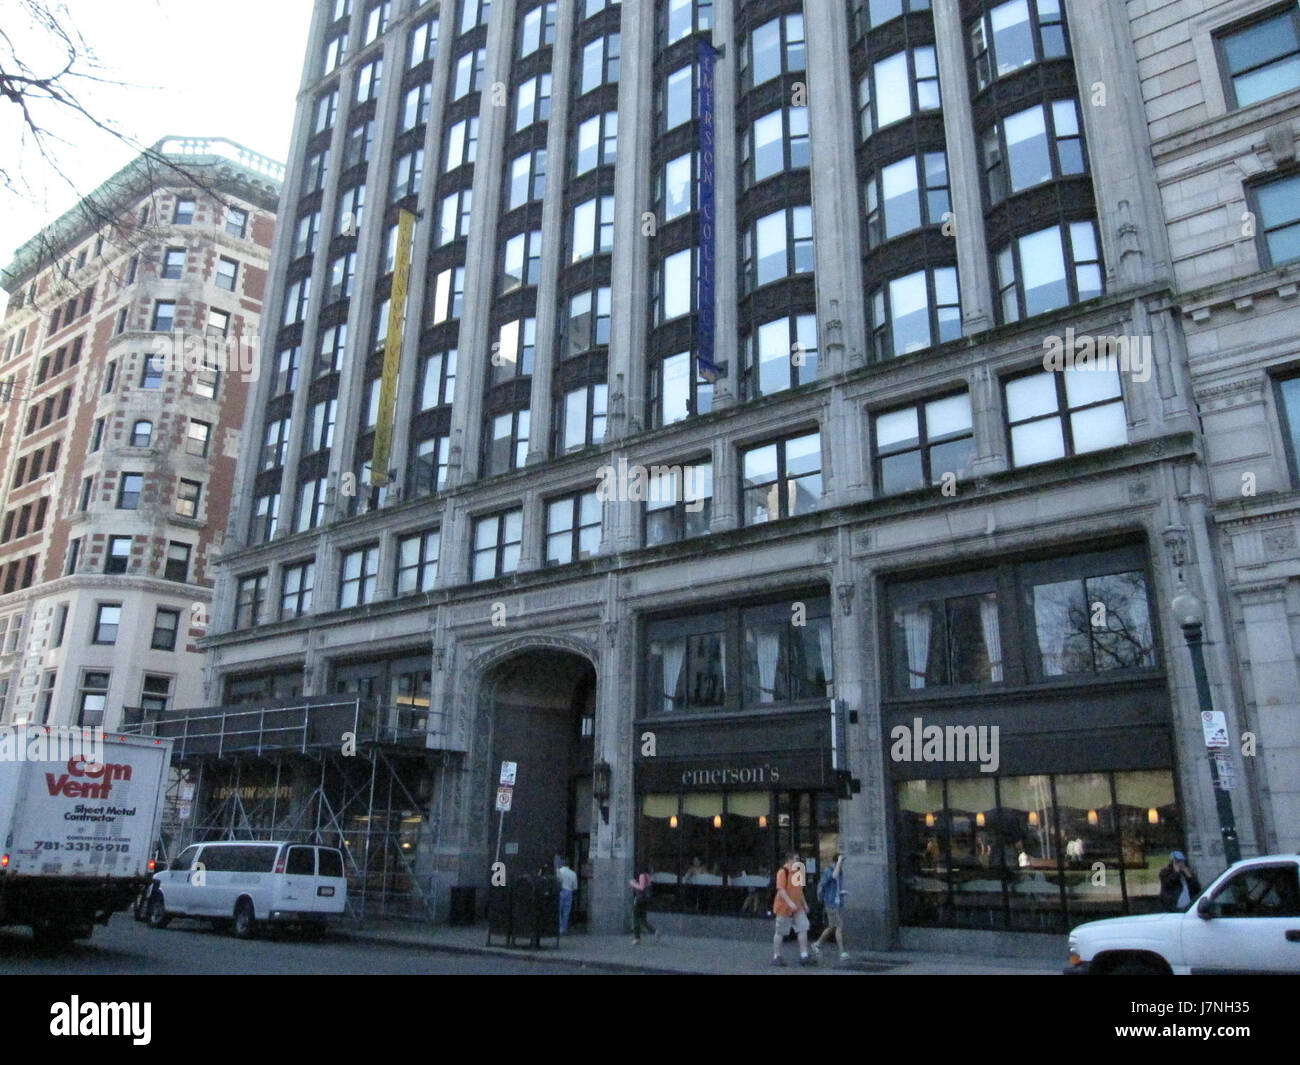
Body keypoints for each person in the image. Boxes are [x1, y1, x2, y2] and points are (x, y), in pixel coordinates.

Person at [771, 849, 815, 967]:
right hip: (784, 908)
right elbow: (781, 890)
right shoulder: (783, 871)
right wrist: (790, 903)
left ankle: (804, 955)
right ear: (790, 859)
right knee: (780, 932)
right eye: (796, 859)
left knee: (803, 927)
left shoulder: (797, 872)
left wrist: (804, 904)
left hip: (797, 907)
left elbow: (799, 890)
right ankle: (776, 956)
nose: (798, 861)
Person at [812, 853, 849, 961]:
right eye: (841, 862)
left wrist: (842, 892)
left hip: (837, 902)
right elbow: (833, 876)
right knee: (838, 926)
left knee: (832, 926)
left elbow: (837, 886)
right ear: (836, 862)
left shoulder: (840, 871)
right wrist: (838, 862)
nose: (842, 864)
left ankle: (817, 944)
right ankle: (841, 951)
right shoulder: (829, 871)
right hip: (830, 903)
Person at [629, 867, 659, 944]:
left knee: (635, 918)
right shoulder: (648, 876)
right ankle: (654, 931)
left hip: (639, 900)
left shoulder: (642, 875)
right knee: (643, 920)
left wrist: (633, 884)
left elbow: (641, 887)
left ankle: (637, 938)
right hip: (645, 900)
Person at [556, 854, 578, 934]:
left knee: (559, 911)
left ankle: (560, 928)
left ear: (562, 862)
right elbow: (575, 887)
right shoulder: (573, 873)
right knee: (566, 912)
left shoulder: (559, 872)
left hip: (560, 891)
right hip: (569, 892)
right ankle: (564, 929)